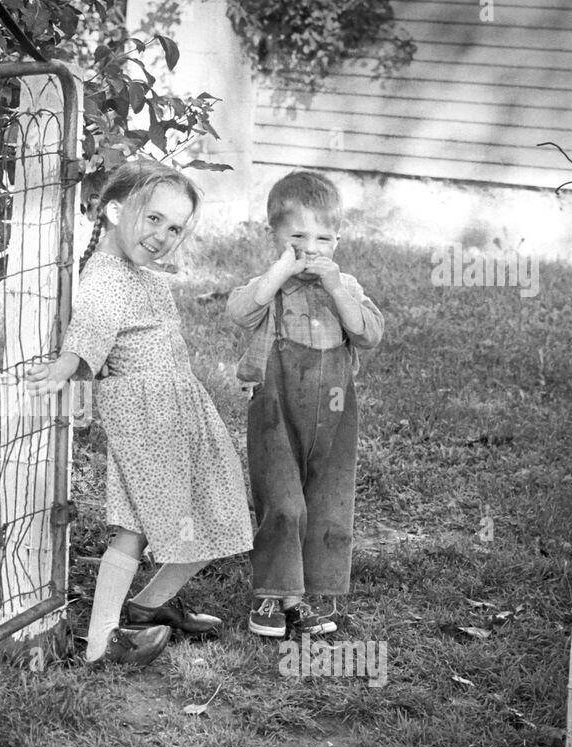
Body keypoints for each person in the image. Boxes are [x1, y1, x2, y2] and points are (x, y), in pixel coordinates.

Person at [24, 158, 253, 666]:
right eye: (154, 219)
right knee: (138, 526)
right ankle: (102, 641)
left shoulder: (137, 272)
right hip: (146, 418)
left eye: (175, 228)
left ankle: (147, 609)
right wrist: (65, 367)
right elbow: (92, 329)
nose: (163, 235)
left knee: (217, 511)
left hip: (180, 410)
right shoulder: (106, 276)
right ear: (113, 210)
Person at [226, 171, 384, 638]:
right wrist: (280, 273)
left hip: (335, 411)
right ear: (273, 235)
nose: (311, 248)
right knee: (283, 499)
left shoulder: (346, 286)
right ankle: (272, 597)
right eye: (297, 236)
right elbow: (239, 312)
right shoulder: (269, 285)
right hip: (276, 408)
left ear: (339, 239)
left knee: (327, 501)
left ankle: (309, 598)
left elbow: (369, 334)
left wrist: (337, 289)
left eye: (323, 237)